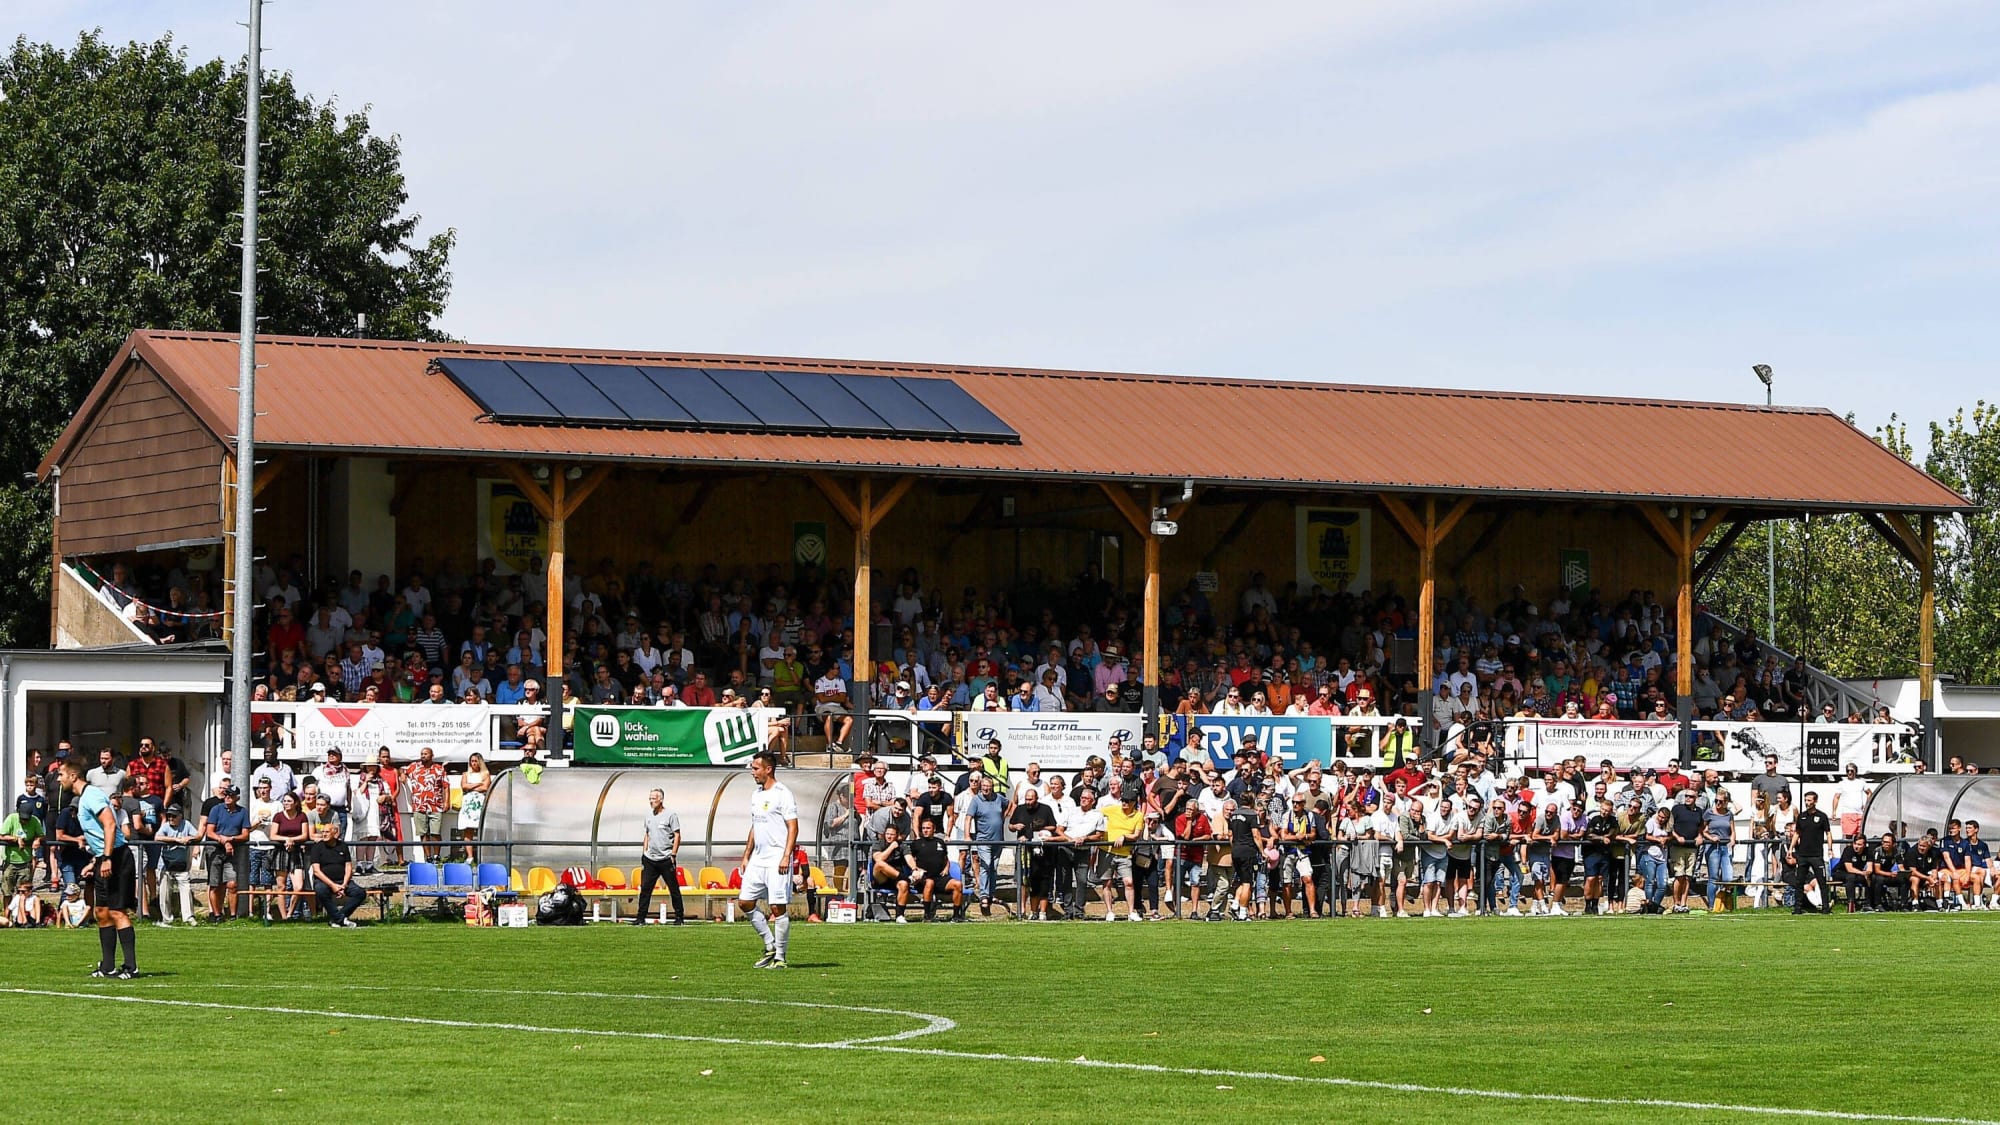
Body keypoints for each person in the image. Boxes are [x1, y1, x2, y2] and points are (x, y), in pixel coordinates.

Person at [64, 757, 138, 978]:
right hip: (103, 858)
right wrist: (95, 861)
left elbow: (110, 823)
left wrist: (106, 858)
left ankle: (131, 967)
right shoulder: (84, 798)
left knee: (117, 911)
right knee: (101, 911)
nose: (59, 780)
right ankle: (108, 967)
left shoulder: (92, 795)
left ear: (73, 776)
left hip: (116, 857)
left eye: (61, 775)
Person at [738, 751, 799, 969]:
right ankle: (769, 943)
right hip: (758, 859)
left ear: (768, 769)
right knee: (744, 902)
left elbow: (793, 826)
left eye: (755, 768)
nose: (752, 772)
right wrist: (746, 855)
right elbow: (755, 826)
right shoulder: (756, 794)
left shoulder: (783, 794)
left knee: (777, 907)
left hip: (776, 857)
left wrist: (786, 855)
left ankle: (780, 957)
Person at [634, 788, 686, 925]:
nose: (651, 801)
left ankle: (679, 917)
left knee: (673, 888)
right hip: (650, 859)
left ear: (661, 799)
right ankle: (640, 918)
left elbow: (677, 835)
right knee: (645, 889)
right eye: (649, 798)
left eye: (653, 798)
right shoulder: (649, 816)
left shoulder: (671, 815)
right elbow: (647, 834)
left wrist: (673, 854)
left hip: (666, 859)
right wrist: (644, 852)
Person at [1009, 787, 1060, 920]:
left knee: (1043, 882)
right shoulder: (1019, 809)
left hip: (1043, 852)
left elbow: (1053, 826)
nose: (1028, 802)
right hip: (1024, 853)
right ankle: (1025, 910)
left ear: (1036, 798)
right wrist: (1015, 827)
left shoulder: (1045, 809)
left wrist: (1040, 829)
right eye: (1026, 799)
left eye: (1030, 799)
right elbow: (1010, 825)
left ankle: (1042, 912)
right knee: (1025, 881)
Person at [202, 784, 250, 920]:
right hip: (215, 849)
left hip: (231, 850)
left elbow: (245, 834)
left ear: (237, 798)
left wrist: (231, 839)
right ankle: (217, 914)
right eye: (227, 794)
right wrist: (223, 840)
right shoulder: (216, 809)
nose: (228, 797)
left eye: (231, 795)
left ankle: (233, 915)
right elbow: (210, 831)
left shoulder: (242, 812)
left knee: (232, 884)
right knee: (215, 884)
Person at [306, 821, 366, 928]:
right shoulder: (317, 847)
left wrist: (343, 885)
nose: (324, 834)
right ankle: (340, 919)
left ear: (335, 833)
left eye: (327, 832)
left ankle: (336, 919)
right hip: (324, 881)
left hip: (341, 881)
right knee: (321, 891)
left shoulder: (343, 846)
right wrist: (333, 886)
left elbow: (348, 867)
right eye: (323, 831)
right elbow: (316, 871)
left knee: (360, 893)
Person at [906, 818, 963, 922]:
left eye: (928, 828)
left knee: (958, 884)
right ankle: (927, 916)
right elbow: (910, 859)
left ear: (934, 829)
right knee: (930, 882)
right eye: (923, 828)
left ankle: (956, 916)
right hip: (924, 879)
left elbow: (946, 859)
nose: (925, 830)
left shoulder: (940, 842)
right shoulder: (916, 843)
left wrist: (946, 868)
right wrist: (916, 869)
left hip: (940, 877)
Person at [1789, 791, 1833, 915]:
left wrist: (1830, 848)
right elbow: (1797, 833)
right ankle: (1797, 908)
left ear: (1815, 801)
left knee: (1822, 881)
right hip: (1802, 855)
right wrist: (1791, 848)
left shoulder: (1822, 816)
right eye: (1806, 800)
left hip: (1816, 855)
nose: (1807, 803)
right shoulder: (1801, 817)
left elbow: (1828, 833)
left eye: (1809, 800)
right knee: (1799, 882)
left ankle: (1825, 907)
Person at [153, 805, 198, 925]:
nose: (171, 818)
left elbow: (197, 836)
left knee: (186, 890)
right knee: (165, 893)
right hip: (166, 865)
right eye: (169, 816)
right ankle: (166, 919)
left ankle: (188, 918)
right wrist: (177, 840)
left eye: (174, 816)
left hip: (182, 864)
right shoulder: (166, 826)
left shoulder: (186, 824)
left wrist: (194, 843)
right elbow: (157, 837)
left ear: (180, 816)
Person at [404, 747, 449, 863]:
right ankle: (428, 857)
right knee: (422, 833)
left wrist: (447, 801)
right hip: (419, 805)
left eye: (426, 754)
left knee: (435, 832)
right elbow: (402, 770)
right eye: (422, 754)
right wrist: (402, 775)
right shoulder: (414, 767)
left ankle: (436, 856)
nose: (423, 756)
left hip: (435, 805)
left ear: (432, 755)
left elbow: (446, 786)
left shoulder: (439, 769)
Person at [1667, 788, 1703, 914]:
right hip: (1678, 847)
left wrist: (1699, 836)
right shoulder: (1677, 809)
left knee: (1688, 876)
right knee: (1679, 875)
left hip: (1692, 847)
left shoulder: (1699, 811)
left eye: (1691, 797)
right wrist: (1677, 837)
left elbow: (1700, 827)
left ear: (1696, 798)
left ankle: (1683, 903)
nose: (1688, 798)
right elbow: (1669, 826)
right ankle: (1676, 903)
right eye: (1686, 796)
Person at [458, 752, 491, 860]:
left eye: (475, 761)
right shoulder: (465, 774)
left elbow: (485, 788)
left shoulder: (485, 774)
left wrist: (470, 787)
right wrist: (478, 784)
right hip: (468, 804)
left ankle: (482, 855)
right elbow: (464, 786)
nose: (473, 763)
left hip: (479, 802)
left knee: (481, 828)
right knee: (468, 830)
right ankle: (470, 856)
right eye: (471, 761)